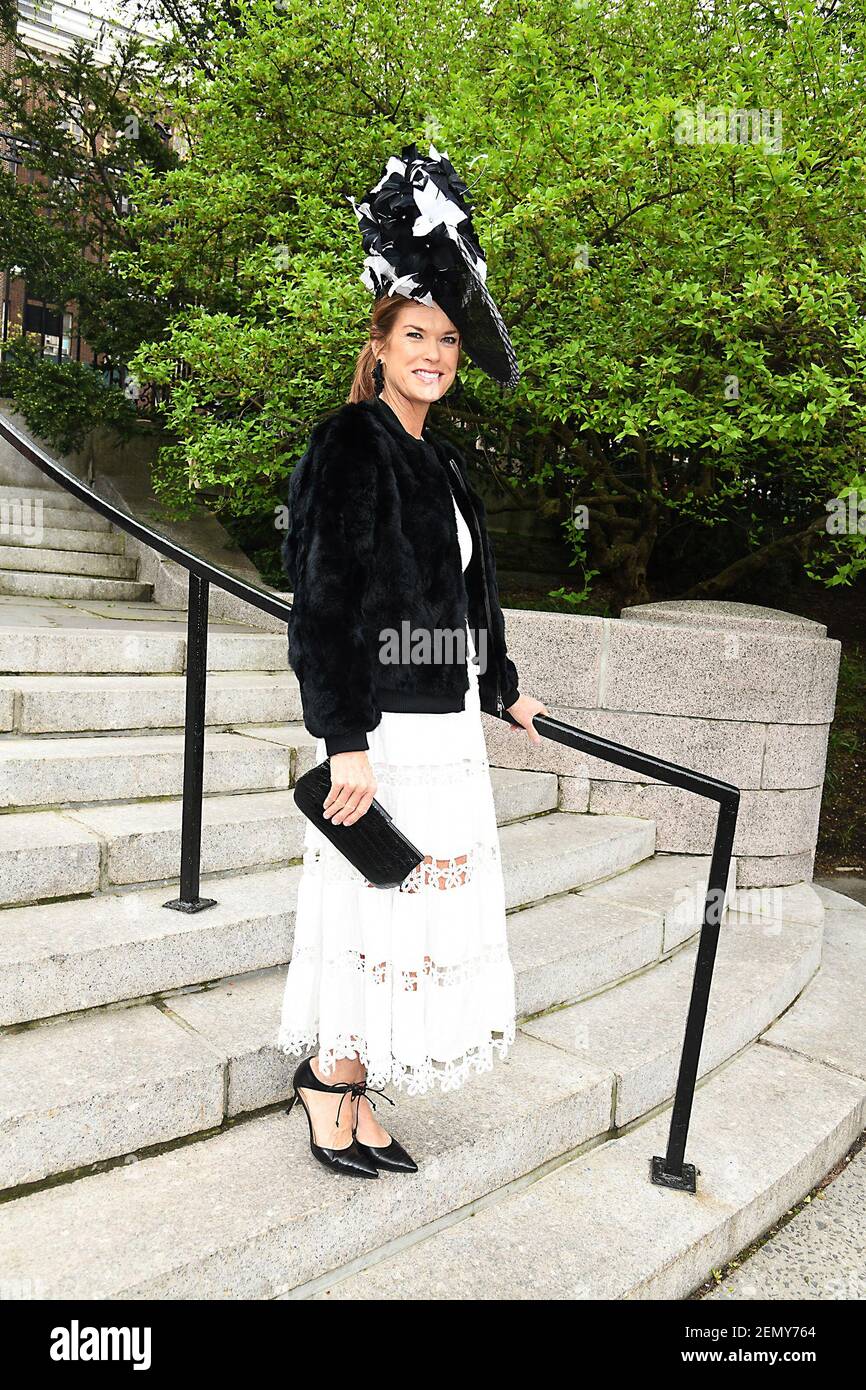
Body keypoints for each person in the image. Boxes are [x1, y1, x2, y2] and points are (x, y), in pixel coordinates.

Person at [277, 142, 549, 1178]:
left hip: (448, 731)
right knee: (368, 907)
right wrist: (344, 741)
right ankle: (329, 1082)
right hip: (382, 731)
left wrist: (505, 689)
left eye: (445, 338)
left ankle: (349, 1077)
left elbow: (469, 596)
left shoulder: (441, 461)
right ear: (380, 346)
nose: (434, 352)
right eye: (414, 336)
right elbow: (325, 603)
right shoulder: (349, 443)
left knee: (407, 916)